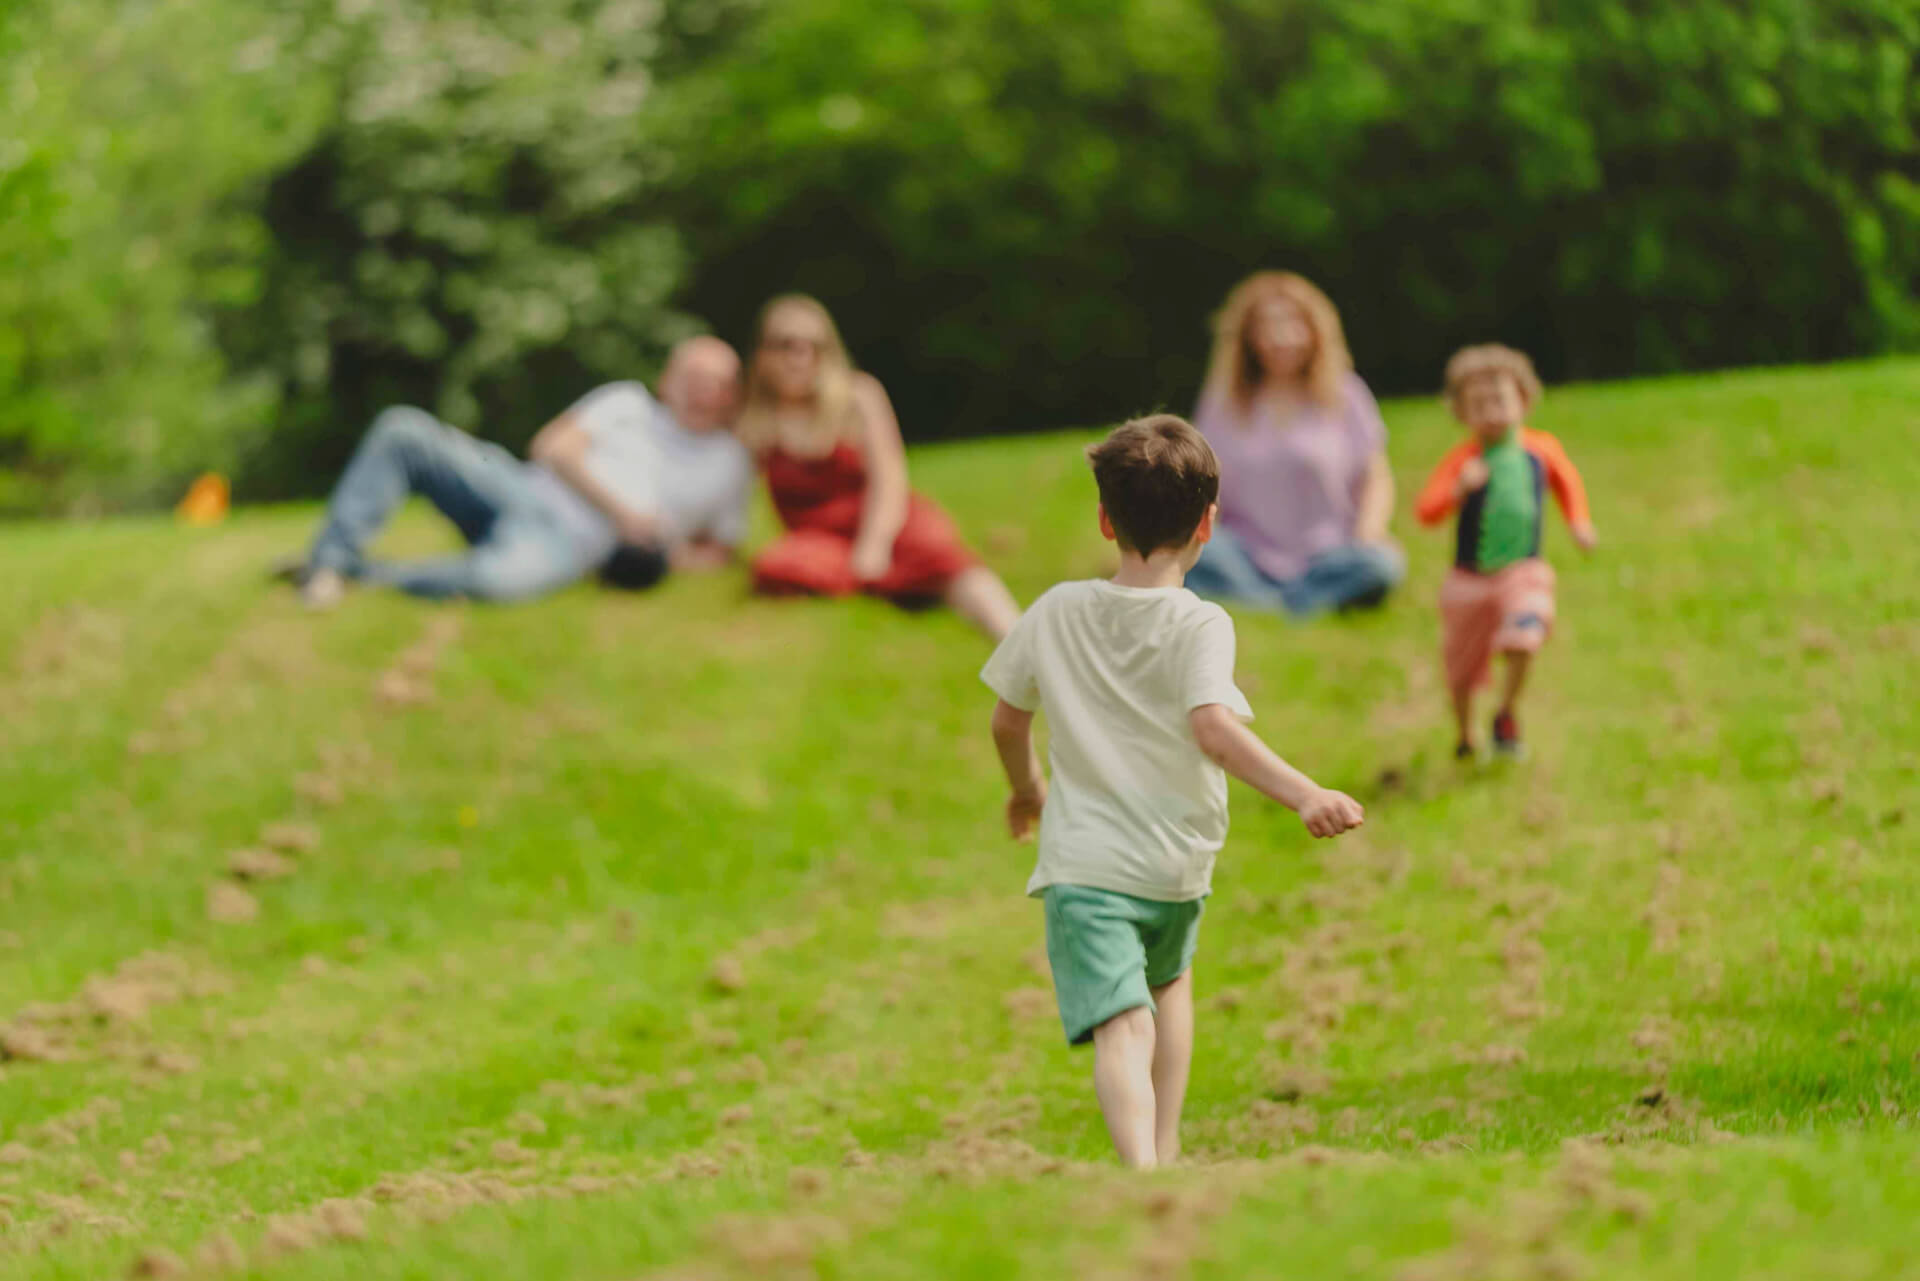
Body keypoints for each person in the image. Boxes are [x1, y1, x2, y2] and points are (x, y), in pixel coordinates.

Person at [980, 414, 1366, 1170]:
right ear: (1209, 524)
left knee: (1126, 1025)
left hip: (1087, 868)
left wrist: (1027, 789)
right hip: (1175, 862)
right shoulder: (1201, 624)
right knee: (1170, 989)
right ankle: (1164, 1148)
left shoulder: (1056, 609)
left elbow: (1006, 719)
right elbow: (1214, 730)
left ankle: (1140, 1170)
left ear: (1104, 518)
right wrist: (1304, 791)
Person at [292, 336, 751, 608]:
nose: (703, 393)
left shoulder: (731, 461)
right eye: (692, 378)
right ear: (667, 380)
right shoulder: (626, 402)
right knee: (404, 431)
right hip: (520, 488)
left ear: (732, 395)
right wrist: (622, 513)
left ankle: (362, 575)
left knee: (495, 582)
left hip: (570, 548)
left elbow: (720, 548)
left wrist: (666, 554)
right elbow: (552, 447)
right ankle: (330, 562)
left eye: (717, 383)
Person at [737, 294, 1021, 640]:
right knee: (776, 567)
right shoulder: (754, 420)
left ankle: (1016, 638)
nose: (799, 357)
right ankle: (902, 587)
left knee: (944, 559)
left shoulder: (858, 395)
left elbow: (889, 478)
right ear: (763, 353)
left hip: (887, 522)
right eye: (785, 345)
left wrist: (875, 544)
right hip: (820, 540)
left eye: (813, 345)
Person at [1183, 272, 1403, 618]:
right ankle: (1293, 605)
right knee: (1196, 557)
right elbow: (1204, 487)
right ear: (1248, 338)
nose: (1280, 338)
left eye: (1292, 325)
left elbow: (1375, 476)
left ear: (1315, 332)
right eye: (1267, 327)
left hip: (1330, 554)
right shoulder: (1222, 403)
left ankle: (1271, 605)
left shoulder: (1346, 394)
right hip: (1246, 556)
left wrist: (1369, 532)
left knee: (1381, 565)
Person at [1414, 344, 1596, 760]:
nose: (1491, 410)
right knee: (1460, 667)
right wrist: (1457, 489)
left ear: (1524, 400)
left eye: (1500, 399)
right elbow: (1426, 511)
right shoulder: (1463, 460)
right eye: (1478, 404)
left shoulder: (1540, 449)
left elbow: (1567, 483)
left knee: (1526, 631)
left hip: (1522, 571)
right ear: (1461, 414)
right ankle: (1465, 734)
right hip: (1468, 579)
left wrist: (1579, 523)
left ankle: (1507, 711)